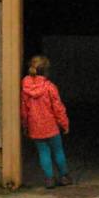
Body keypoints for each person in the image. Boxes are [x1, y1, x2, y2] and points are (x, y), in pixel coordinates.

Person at [20, 55, 72, 188]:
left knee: (43, 153)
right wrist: (64, 124)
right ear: (46, 71)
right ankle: (64, 176)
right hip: (51, 126)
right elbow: (58, 108)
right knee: (58, 151)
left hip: (35, 126)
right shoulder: (50, 87)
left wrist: (25, 126)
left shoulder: (25, 88)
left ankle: (49, 179)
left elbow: (24, 110)